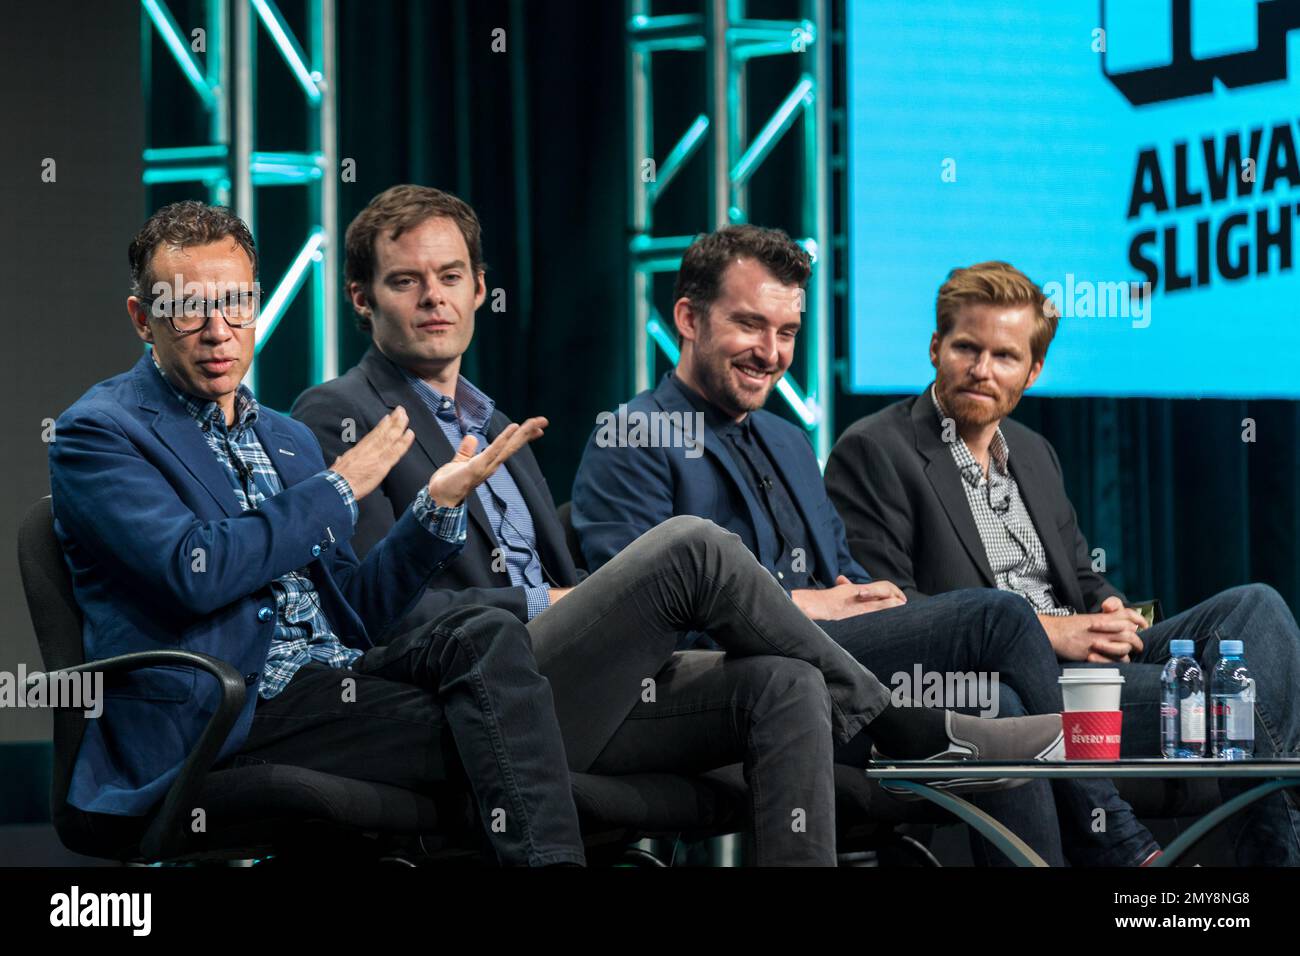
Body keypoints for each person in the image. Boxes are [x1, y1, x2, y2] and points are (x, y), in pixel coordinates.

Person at [292, 186, 1064, 865]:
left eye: (452, 278)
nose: (435, 298)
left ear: (480, 289)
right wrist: (542, 606)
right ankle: (905, 734)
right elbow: (370, 616)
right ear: (362, 298)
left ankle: (890, 735)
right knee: (695, 546)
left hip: (584, 686)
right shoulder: (338, 416)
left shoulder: (494, 417)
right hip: (477, 693)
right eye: (407, 281)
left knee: (785, 680)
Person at [571, 226, 1157, 866]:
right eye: (749, 325)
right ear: (687, 318)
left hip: (844, 673)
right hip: (735, 686)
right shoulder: (633, 437)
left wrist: (870, 598)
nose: (771, 352)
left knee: (1000, 700)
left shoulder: (787, 441)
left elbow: (847, 576)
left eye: (787, 332)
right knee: (1001, 613)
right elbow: (634, 624)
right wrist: (801, 606)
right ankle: (1121, 849)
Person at [50, 200, 587, 866]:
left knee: (484, 635)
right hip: (232, 708)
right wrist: (336, 488)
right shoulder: (100, 432)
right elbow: (195, 571)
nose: (219, 332)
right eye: (188, 308)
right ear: (143, 319)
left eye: (237, 304)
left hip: (335, 680)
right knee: (501, 734)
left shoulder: (285, 436)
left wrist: (435, 509)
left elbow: (354, 609)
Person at [825, 259, 1300, 866]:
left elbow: (1080, 578)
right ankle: (1124, 853)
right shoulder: (875, 450)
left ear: (1033, 369)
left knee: (1255, 607)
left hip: (1086, 673)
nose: (980, 370)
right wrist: (1055, 632)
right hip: (986, 687)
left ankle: (1275, 858)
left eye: (1004, 356)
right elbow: (886, 615)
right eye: (965, 348)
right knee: (1205, 697)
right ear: (934, 347)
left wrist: (1108, 609)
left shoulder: (1034, 452)